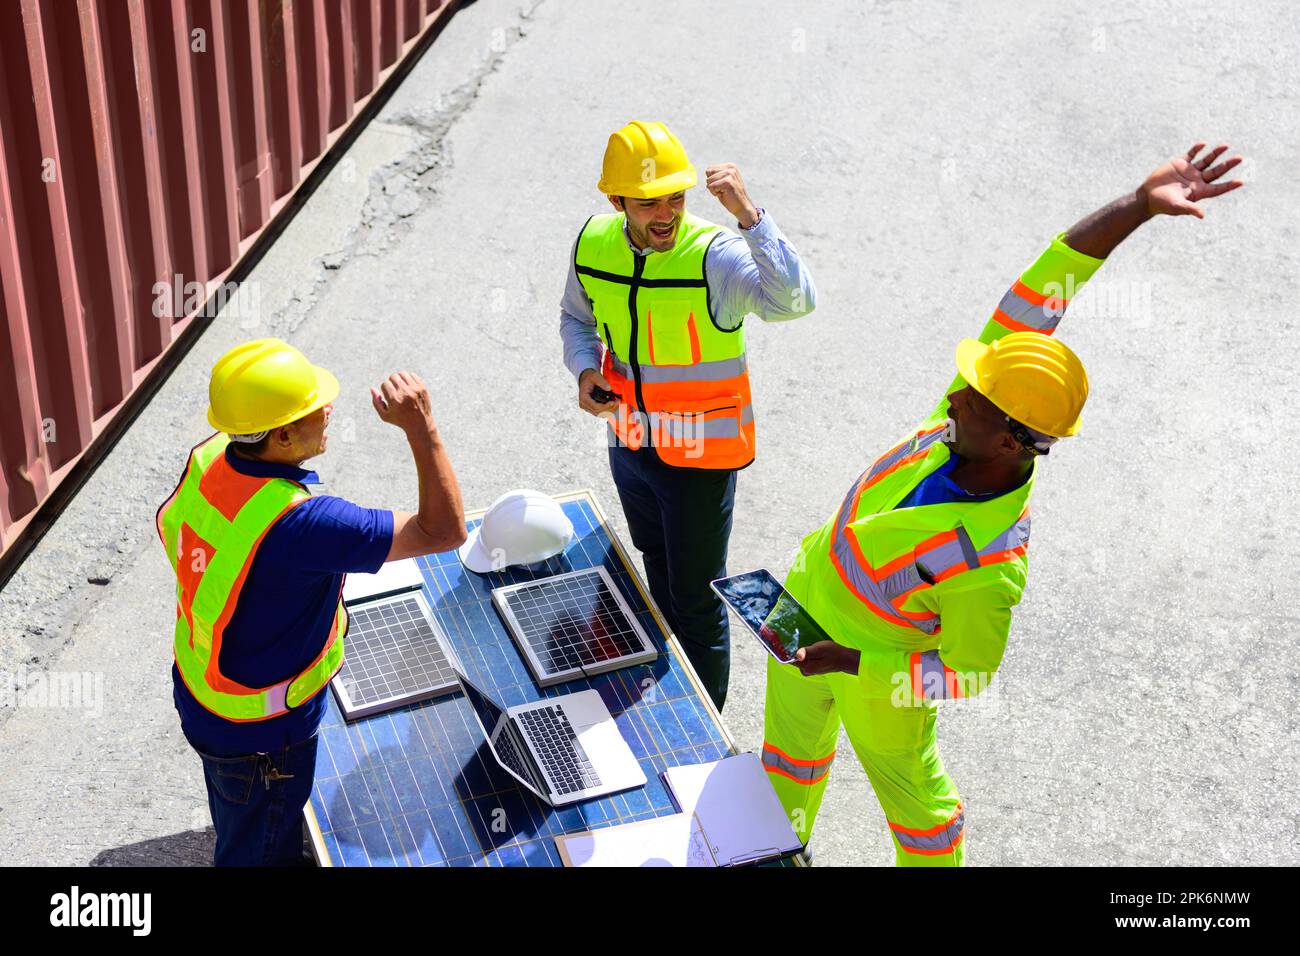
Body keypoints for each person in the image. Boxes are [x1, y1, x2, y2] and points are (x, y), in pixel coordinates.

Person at [762, 142, 1244, 865]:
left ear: (1014, 442)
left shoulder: (991, 564)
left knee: (921, 817)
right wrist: (1137, 205)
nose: (953, 391)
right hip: (799, 606)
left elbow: (970, 673)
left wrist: (856, 661)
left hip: (872, 670)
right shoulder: (962, 425)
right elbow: (1040, 291)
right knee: (784, 768)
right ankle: (773, 852)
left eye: (974, 395)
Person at [157, 339, 465, 865]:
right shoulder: (306, 524)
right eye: (310, 409)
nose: (327, 410)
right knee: (260, 844)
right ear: (279, 435)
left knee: (242, 811)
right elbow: (444, 531)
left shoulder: (212, 456)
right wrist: (422, 428)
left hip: (202, 685)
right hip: (263, 733)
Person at [559, 120, 818, 710]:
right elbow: (575, 317)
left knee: (697, 599)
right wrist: (584, 370)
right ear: (616, 200)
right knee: (655, 575)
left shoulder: (716, 257)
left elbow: (795, 301)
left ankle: (704, 729)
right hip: (629, 443)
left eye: (675, 197)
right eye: (649, 202)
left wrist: (750, 216)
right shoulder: (593, 244)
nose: (665, 214)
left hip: (700, 460)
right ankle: (667, 693)